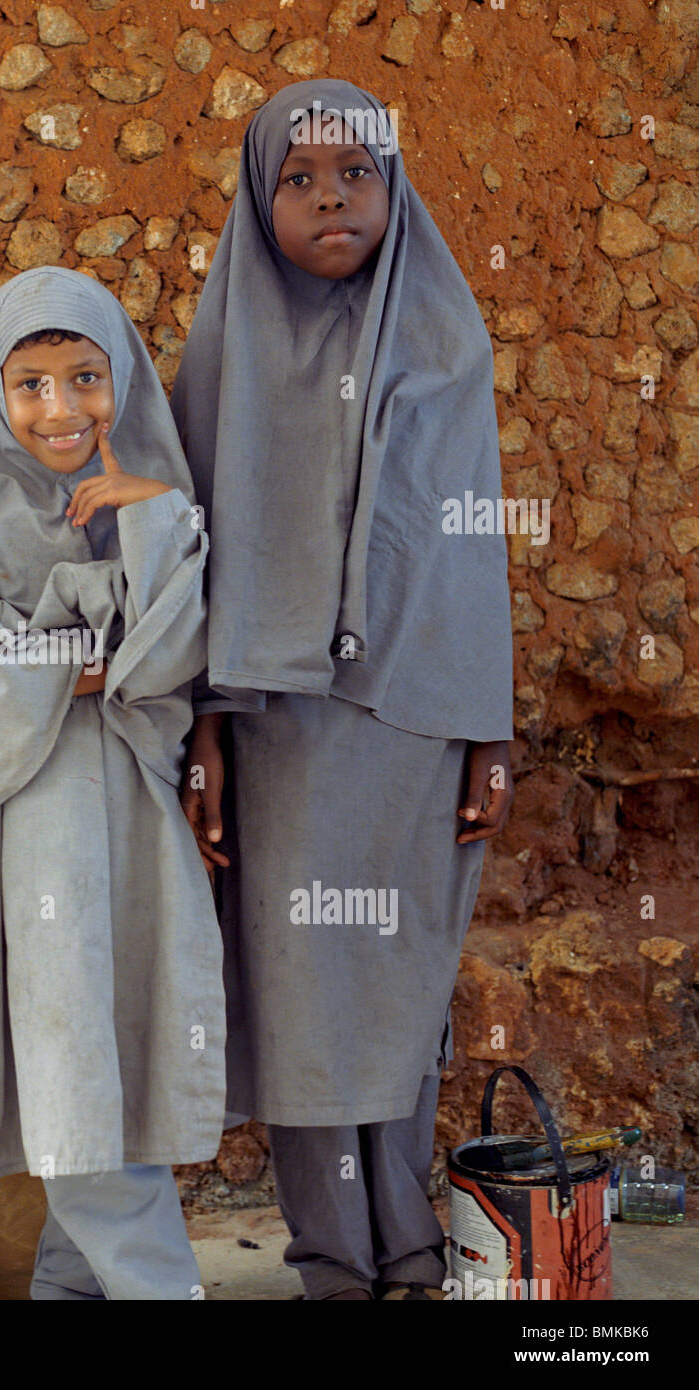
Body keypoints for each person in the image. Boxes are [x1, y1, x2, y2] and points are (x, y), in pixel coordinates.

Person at [171, 79, 515, 1301]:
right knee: (300, 989)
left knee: (398, 980)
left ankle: (410, 1241)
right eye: (299, 177)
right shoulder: (217, 361)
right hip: (277, 732)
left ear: (393, 185)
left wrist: (488, 730)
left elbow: (469, 554)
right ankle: (331, 1252)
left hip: (414, 721)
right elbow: (190, 565)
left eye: (355, 174)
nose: (329, 197)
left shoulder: (442, 340)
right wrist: (204, 729)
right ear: (260, 201)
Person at [0, 267, 226, 1300]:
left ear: (121, 377)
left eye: (86, 376)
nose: (60, 409)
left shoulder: (154, 486)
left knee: (114, 1052)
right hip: (33, 816)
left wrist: (151, 517)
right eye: (31, 382)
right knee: (69, 1065)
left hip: (133, 811)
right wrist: (100, 641)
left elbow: (176, 646)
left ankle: (65, 1287)